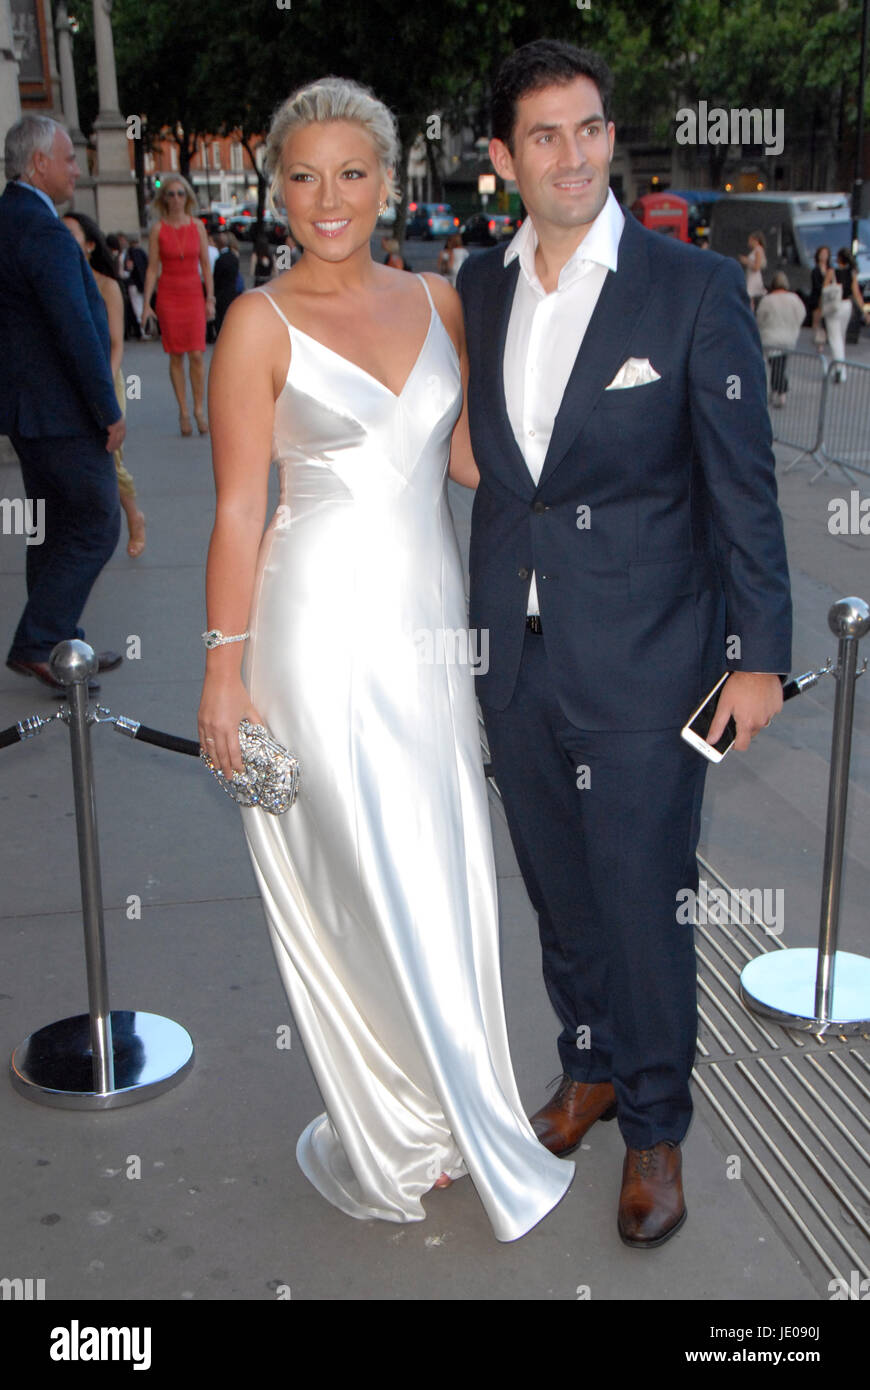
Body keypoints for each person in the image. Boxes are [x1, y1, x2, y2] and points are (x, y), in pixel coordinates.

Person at [196, 75, 574, 1241]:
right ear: (277, 186)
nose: (327, 198)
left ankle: (450, 1106)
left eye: (350, 172)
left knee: (441, 862)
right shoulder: (256, 321)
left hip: (427, 637)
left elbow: (470, 465)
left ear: (387, 180)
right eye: (302, 176)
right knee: (355, 881)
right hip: (312, 641)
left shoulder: (441, 298)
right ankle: (395, 1122)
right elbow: (240, 512)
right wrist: (222, 670)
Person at [457, 40, 792, 1249]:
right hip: (518, 653)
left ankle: (654, 1124)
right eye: (543, 136)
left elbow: (742, 488)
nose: (573, 156)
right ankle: (588, 1066)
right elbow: (497, 471)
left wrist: (758, 658)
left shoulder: (687, 288)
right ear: (503, 158)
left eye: (589, 129)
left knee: (644, 901)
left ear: (613, 135)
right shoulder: (481, 285)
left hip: (654, 659)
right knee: (558, 886)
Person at [0, 115, 124, 695]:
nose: (78, 167)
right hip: (64, 412)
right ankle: (39, 639)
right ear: (38, 165)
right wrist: (108, 409)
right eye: (68, 158)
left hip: (31, 411)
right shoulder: (42, 232)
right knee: (99, 521)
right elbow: (74, 328)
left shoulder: (10, 219)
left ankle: (57, 645)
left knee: (50, 527)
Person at [64, 211, 147, 557]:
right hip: (67, 383)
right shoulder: (55, 283)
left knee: (110, 457)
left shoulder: (107, 285)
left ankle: (134, 517)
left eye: (71, 235)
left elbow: (116, 344)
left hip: (105, 381)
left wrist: (104, 385)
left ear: (89, 244)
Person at [141, 174, 215, 435]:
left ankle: (199, 409)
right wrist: (146, 304)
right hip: (169, 295)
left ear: (188, 198)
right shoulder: (158, 229)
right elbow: (152, 269)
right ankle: (183, 411)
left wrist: (210, 298)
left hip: (193, 293)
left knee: (197, 353)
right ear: (164, 199)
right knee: (176, 355)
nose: (176, 198)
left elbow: (206, 265)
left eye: (180, 193)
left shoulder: (197, 227)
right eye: (170, 194)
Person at [755, 270, 806, 407]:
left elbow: (760, 318)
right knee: (781, 364)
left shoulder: (767, 300)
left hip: (771, 337)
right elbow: (802, 314)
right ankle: (777, 391)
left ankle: (780, 390)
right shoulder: (795, 298)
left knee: (775, 365)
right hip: (789, 337)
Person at [822, 247, 870, 383]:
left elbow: (824, 289)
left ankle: (839, 369)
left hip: (834, 305)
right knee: (840, 336)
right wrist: (864, 311)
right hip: (846, 305)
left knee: (834, 338)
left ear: (839, 258)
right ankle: (840, 368)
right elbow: (856, 293)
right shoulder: (852, 273)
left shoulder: (832, 272)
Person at [212, 232, 241, 333]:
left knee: (221, 317)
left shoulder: (220, 259)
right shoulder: (233, 257)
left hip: (221, 292)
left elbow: (216, 277)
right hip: (232, 291)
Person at [739, 229, 767, 309]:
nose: (749, 242)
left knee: (749, 295)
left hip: (753, 276)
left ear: (756, 240)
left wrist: (746, 261)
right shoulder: (756, 250)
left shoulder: (758, 250)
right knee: (749, 297)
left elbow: (757, 267)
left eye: (750, 240)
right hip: (750, 275)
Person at [808, 244, 830, 345]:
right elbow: (816, 285)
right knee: (817, 320)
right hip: (817, 298)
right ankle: (818, 339)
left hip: (827, 298)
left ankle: (823, 338)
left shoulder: (830, 269)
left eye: (826, 254)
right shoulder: (815, 270)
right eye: (822, 254)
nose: (824, 256)